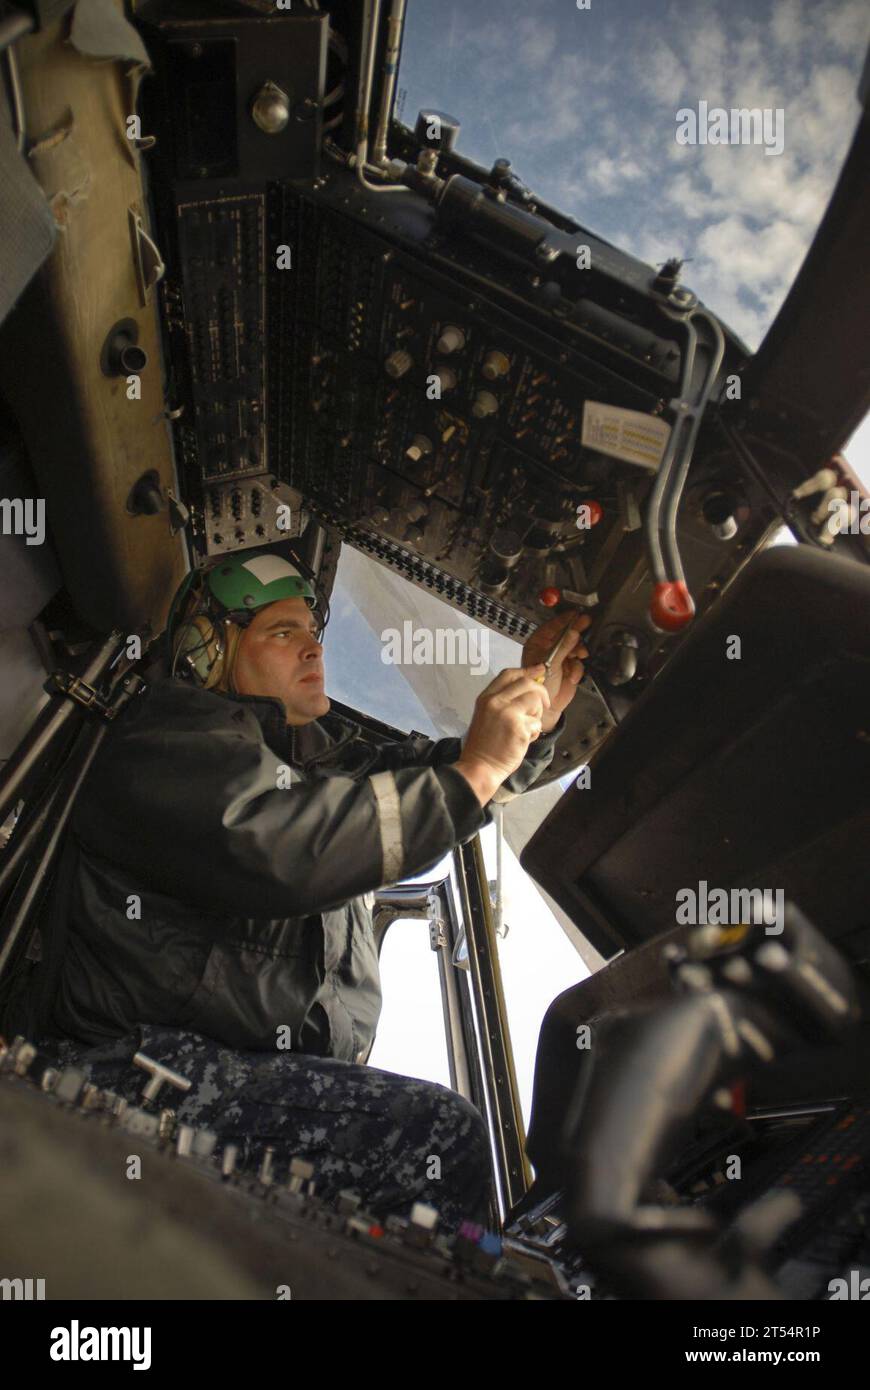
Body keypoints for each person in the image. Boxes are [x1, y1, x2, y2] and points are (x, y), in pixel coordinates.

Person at [9, 545, 590, 1232]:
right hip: (119, 1073)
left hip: (231, 1077)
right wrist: (476, 773)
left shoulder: (318, 766)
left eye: (313, 633)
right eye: (282, 633)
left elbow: (429, 780)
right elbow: (272, 844)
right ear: (205, 649)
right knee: (435, 1136)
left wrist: (532, 730)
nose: (314, 650)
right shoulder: (162, 733)